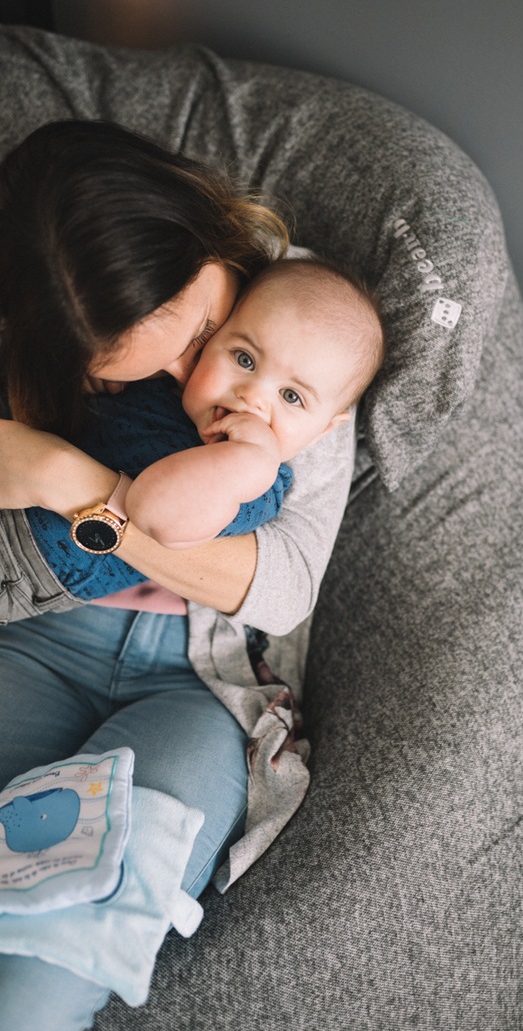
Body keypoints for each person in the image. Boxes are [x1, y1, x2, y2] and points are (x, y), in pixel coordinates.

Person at [0, 120, 367, 1029]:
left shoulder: (301, 329)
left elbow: (282, 584)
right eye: (129, 379)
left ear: (207, 231)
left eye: (205, 335)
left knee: (61, 945)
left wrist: (68, 480)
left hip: (200, 688)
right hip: (32, 644)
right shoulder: (34, 332)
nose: (195, 379)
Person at [6, 256, 383, 619]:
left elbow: (152, 511)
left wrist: (249, 457)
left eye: (291, 397)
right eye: (244, 359)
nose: (253, 397)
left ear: (324, 431)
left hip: (22, 565)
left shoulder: (254, 486)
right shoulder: (167, 388)